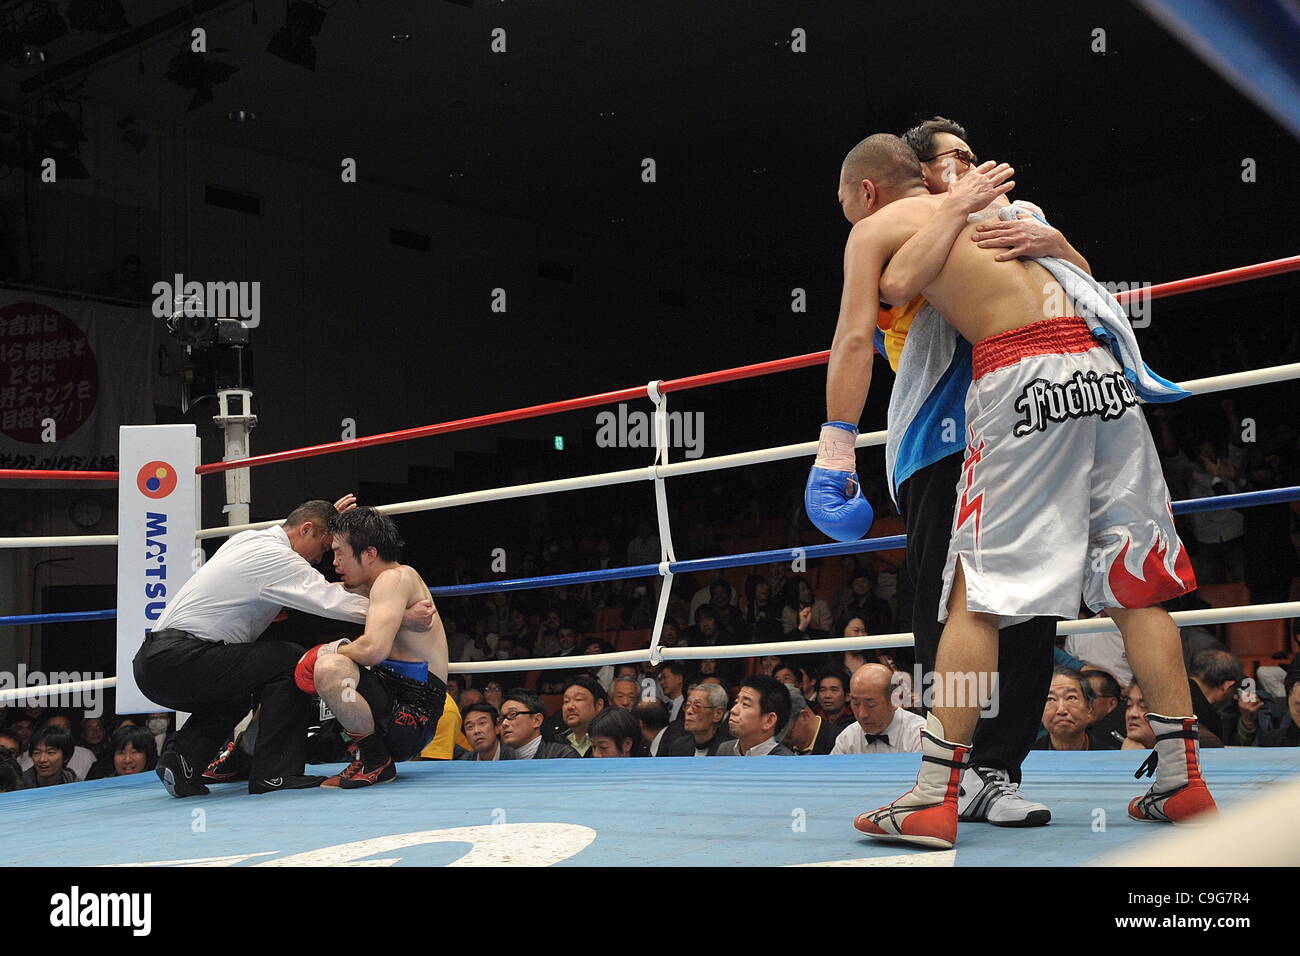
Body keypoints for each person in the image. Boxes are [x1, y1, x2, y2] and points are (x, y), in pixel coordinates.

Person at [809, 131, 1212, 847]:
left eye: (842, 200)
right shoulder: (1003, 210)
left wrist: (836, 449)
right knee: (1133, 582)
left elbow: (857, 331)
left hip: (1021, 376)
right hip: (1102, 375)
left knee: (974, 589)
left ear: (865, 191)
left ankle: (934, 796)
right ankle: (1183, 779)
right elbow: (1076, 278)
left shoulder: (879, 225)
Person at [133, 496, 435, 797]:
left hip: (154, 662)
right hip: (182, 657)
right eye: (323, 547)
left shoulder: (247, 541)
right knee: (292, 659)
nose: (322, 560)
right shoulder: (278, 558)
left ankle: (182, 761)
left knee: (237, 694)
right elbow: (330, 599)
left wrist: (333, 523)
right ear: (305, 530)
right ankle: (274, 774)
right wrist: (398, 613)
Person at [295, 507, 449, 788]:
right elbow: (313, 592)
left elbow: (373, 650)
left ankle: (375, 762)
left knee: (330, 667)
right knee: (302, 737)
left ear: (369, 554)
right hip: (387, 709)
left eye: (340, 552)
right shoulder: (370, 584)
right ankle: (249, 758)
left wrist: (326, 651)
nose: (334, 561)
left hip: (412, 714)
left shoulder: (394, 578)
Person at [830, 663, 925, 754]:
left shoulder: (919, 735)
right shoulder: (847, 738)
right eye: (856, 703)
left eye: (870, 705)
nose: (862, 714)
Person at [1032, 668, 1117, 751]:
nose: (1061, 710)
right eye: (1050, 699)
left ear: (1089, 709)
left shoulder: (1109, 757)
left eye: (1071, 698)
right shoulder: (1026, 758)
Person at [715, 675, 795, 756]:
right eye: (736, 702)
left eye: (745, 704)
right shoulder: (725, 750)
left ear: (769, 720)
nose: (733, 710)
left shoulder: (785, 762)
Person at [497, 689, 579, 759]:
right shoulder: (504, 758)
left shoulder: (562, 756)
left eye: (512, 714)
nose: (504, 723)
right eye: (501, 718)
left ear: (537, 720)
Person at [668, 684, 732, 756]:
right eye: (688, 705)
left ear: (717, 714)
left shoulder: (728, 750)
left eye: (697, 706)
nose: (689, 711)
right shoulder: (678, 747)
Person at [558, 676, 608, 757]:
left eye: (578, 699)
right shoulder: (556, 741)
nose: (570, 706)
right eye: (566, 701)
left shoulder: (609, 739)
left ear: (598, 705)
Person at [783, 686, 839, 755]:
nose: (783, 740)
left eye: (788, 735)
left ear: (804, 716)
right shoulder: (782, 748)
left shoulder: (838, 743)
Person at [88, 724, 159, 778]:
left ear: (147, 755)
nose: (127, 759)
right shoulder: (102, 787)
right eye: (121, 752)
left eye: (134, 752)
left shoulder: (163, 787)